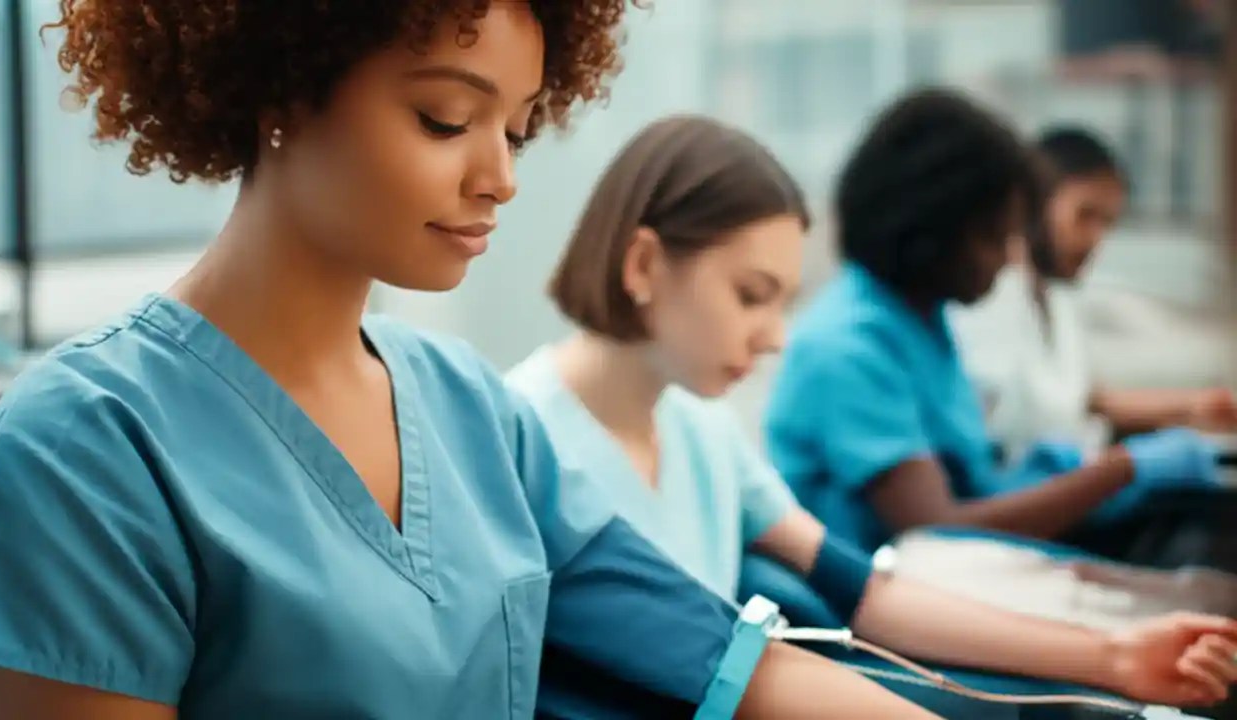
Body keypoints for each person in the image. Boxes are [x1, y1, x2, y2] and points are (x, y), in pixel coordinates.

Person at [0, 3, 947, 719]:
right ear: (279, 89)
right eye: (444, 119)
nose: (500, 177)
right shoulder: (84, 449)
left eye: (515, 128)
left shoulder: (469, 406)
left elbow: (728, 665)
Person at [505, 114, 1237, 715]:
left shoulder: (701, 432)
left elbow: (868, 592)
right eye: (751, 295)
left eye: (783, 303)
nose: (777, 337)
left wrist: (1116, 657)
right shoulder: (515, 438)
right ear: (641, 267)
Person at [762, 89, 1225, 560]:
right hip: (873, 603)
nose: (1007, 260)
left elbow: (977, 480)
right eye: (993, 239)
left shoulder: (925, 322)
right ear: (929, 229)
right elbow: (935, 529)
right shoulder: (847, 346)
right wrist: (1120, 470)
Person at [950, 125, 1237, 466]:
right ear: (1032, 201)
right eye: (1084, 215)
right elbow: (1007, 429)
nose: (1095, 239)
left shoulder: (1051, 294)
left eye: (1107, 223)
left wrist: (1194, 407)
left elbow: (1082, 397)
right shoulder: (987, 295)